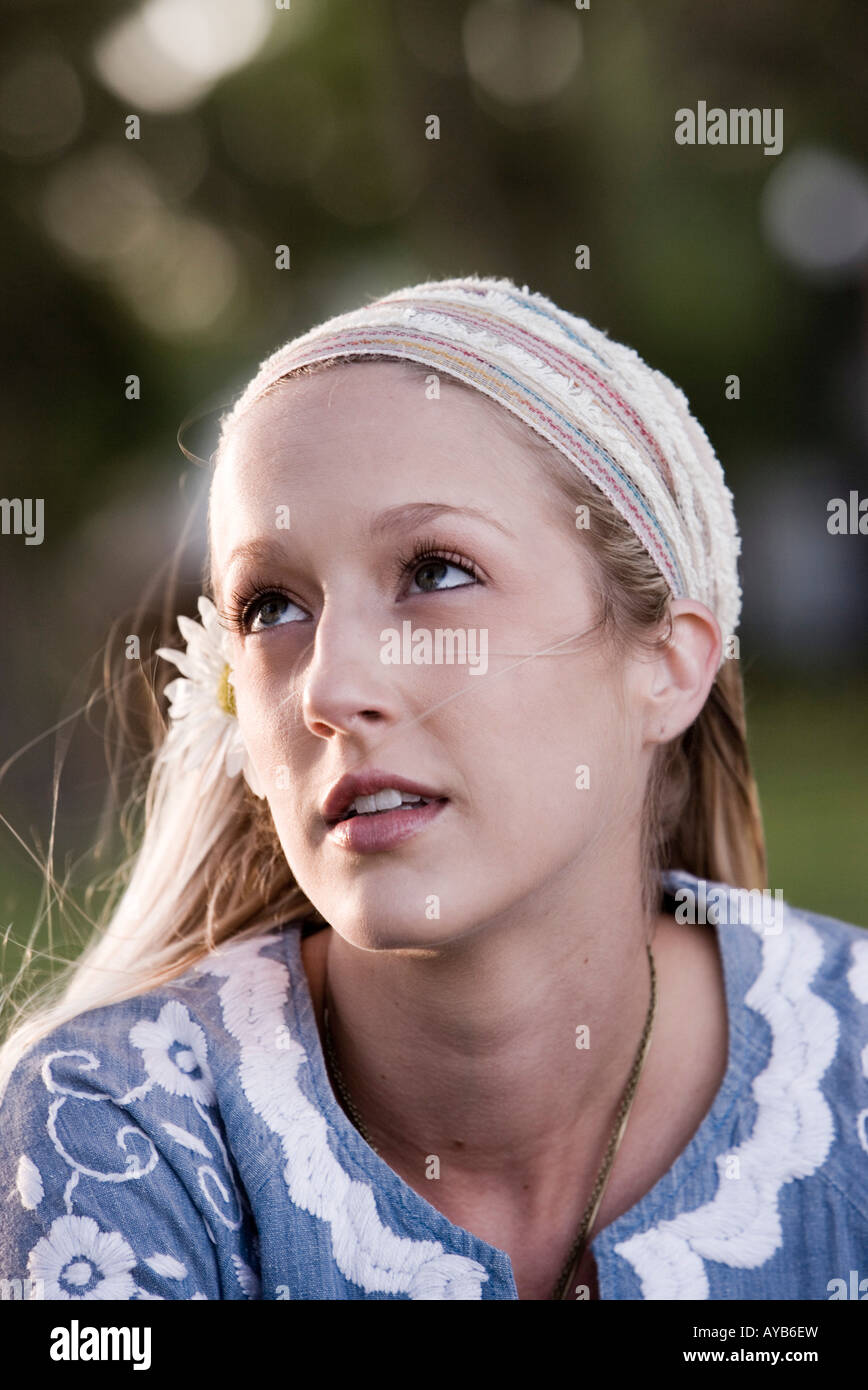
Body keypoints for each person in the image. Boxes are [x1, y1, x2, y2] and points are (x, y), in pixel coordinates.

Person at [1, 275, 866, 1301]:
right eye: (272, 604)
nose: (327, 688)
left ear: (667, 665)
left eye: (435, 573)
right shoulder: (109, 1125)